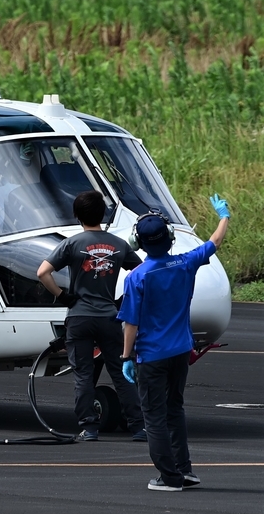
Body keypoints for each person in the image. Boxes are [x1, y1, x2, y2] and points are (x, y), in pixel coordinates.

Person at [119, 195, 231, 492]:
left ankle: (169, 477)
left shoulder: (137, 277)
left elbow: (131, 323)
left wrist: (126, 357)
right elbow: (214, 242)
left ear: (137, 243)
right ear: (170, 238)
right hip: (181, 350)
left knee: (153, 416)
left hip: (152, 356)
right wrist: (224, 216)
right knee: (174, 409)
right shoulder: (185, 263)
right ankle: (184, 469)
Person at [37, 191, 144, 442]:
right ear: (103, 214)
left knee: (83, 374)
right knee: (121, 372)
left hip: (79, 317)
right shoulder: (118, 245)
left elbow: (43, 272)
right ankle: (138, 426)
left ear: (77, 216)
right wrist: (123, 300)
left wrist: (62, 295)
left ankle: (89, 427)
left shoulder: (72, 243)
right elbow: (141, 273)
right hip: (109, 317)